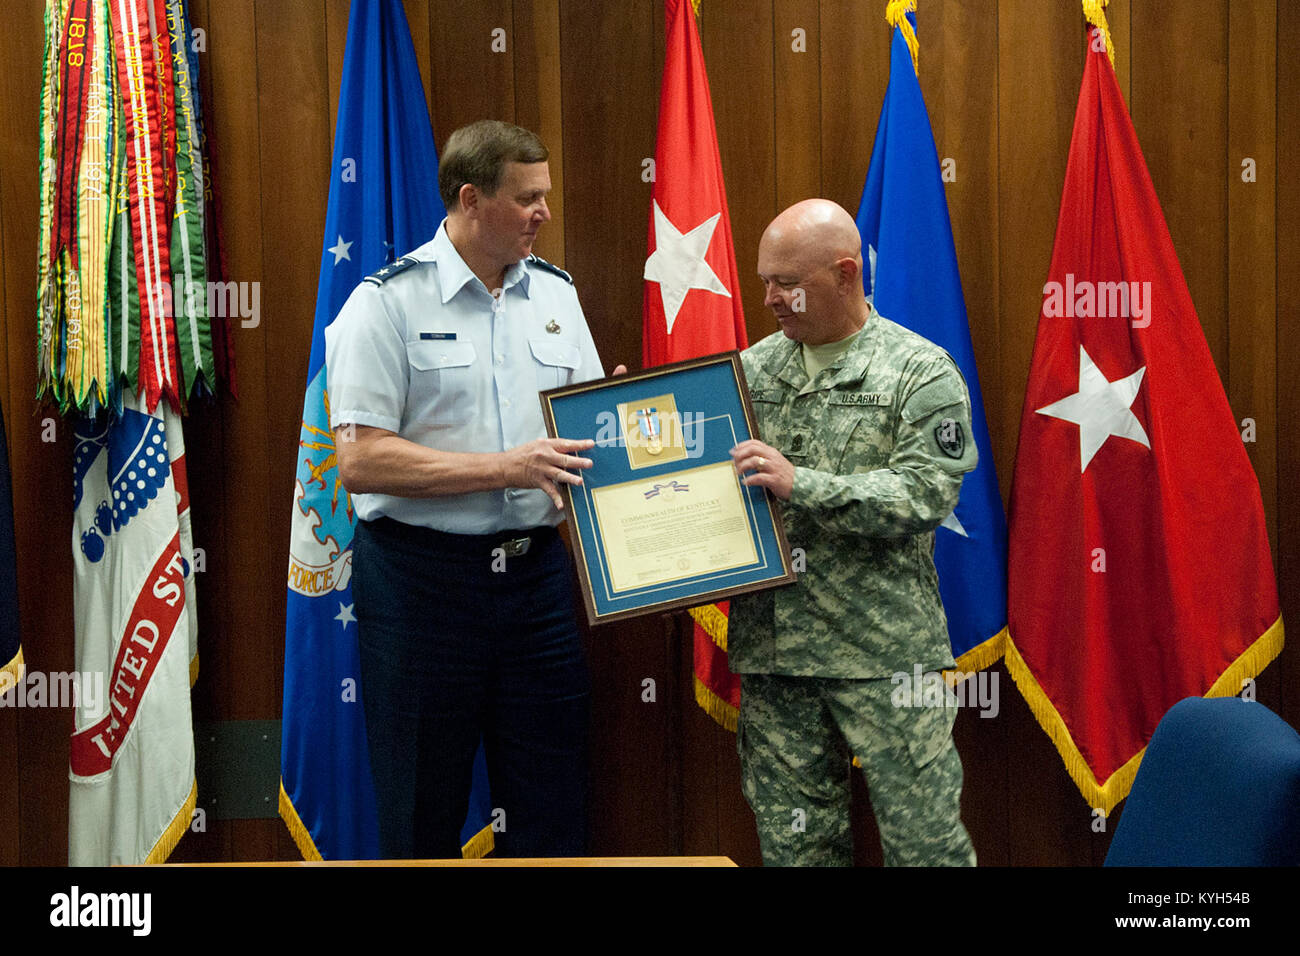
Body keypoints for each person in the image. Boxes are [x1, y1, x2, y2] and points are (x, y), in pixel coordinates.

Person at [326, 120, 620, 859]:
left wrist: (618, 419)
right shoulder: (385, 304)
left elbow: (577, 428)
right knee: (423, 806)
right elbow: (361, 462)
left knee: (553, 802)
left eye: (544, 196)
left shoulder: (555, 293)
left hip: (535, 580)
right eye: (528, 199)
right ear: (470, 199)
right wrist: (506, 468)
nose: (544, 213)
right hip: (423, 586)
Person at [727, 198, 978, 866]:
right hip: (778, 655)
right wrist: (637, 437)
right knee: (797, 852)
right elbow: (699, 477)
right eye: (763, 282)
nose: (771, 298)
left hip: (886, 656)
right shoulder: (749, 372)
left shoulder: (919, 373)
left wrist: (800, 483)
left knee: (925, 849)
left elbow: (926, 492)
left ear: (844, 275)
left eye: (787, 283)